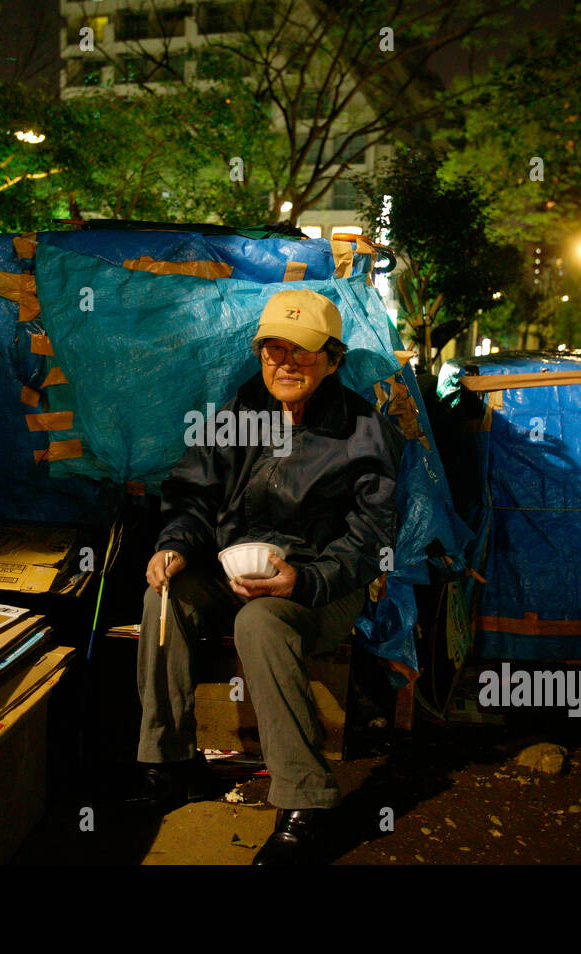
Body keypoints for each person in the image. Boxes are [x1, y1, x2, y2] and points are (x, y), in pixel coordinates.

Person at [133, 288, 406, 865]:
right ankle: (169, 764)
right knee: (164, 596)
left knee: (260, 622)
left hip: (318, 586)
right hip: (233, 569)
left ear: (332, 359)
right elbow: (192, 493)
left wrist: (303, 582)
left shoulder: (361, 429)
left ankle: (306, 804)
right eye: (272, 350)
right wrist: (177, 545)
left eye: (301, 352)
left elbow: (371, 539)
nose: (284, 364)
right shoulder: (240, 412)